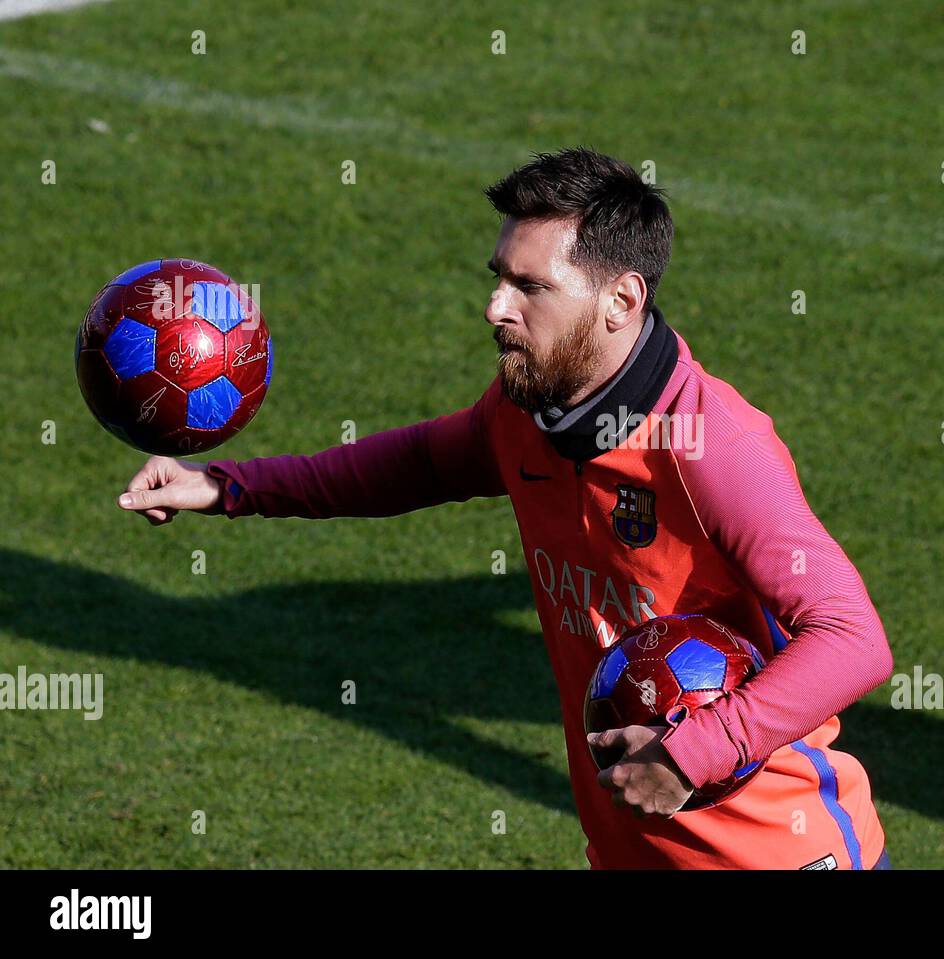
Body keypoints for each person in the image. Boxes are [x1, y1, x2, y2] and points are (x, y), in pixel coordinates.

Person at [118, 147, 895, 870]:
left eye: (530, 286)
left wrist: (690, 753)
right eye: (498, 276)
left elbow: (854, 638)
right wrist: (228, 487)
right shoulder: (531, 412)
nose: (495, 306)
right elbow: (418, 462)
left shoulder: (711, 446)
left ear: (621, 299)